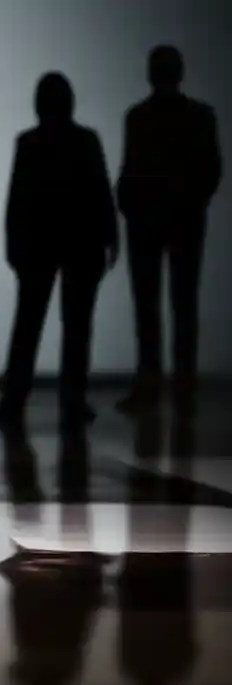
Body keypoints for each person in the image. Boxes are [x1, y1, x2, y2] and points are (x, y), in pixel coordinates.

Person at [0, 73, 118, 428]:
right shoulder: (86, 141)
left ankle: (15, 399)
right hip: (81, 242)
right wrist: (111, 236)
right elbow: (102, 192)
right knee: (76, 326)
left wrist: (13, 244)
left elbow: (17, 200)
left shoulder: (28, 143)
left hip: (38, 244)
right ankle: (72, 400)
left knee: (28, 325)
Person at [116, 46, 222, 417]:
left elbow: (130, 172)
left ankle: (152, 384)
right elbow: (211, 171)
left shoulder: (139, 117)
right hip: (184, 222)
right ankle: (182, 387)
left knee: (150, 309)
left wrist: (131, 209)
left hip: (148, 223)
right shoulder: (201, 117)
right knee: (183, 305)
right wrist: (188, 204)